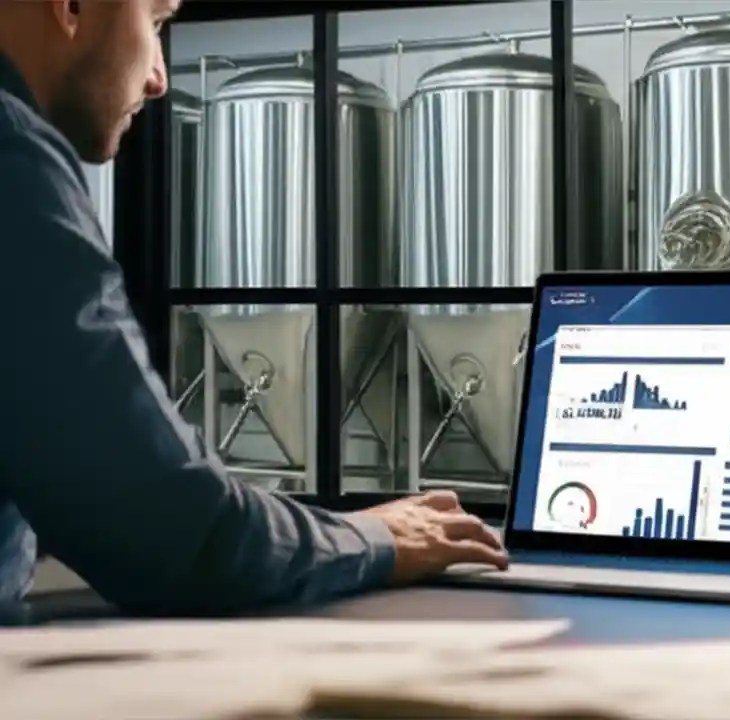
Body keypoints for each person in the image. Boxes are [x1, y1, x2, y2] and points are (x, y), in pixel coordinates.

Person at [0, 0, 508, 615]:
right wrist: (372, 538)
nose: (159, 77)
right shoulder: (13, 158)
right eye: (155, 22)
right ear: (73, 6)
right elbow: (174, 529)